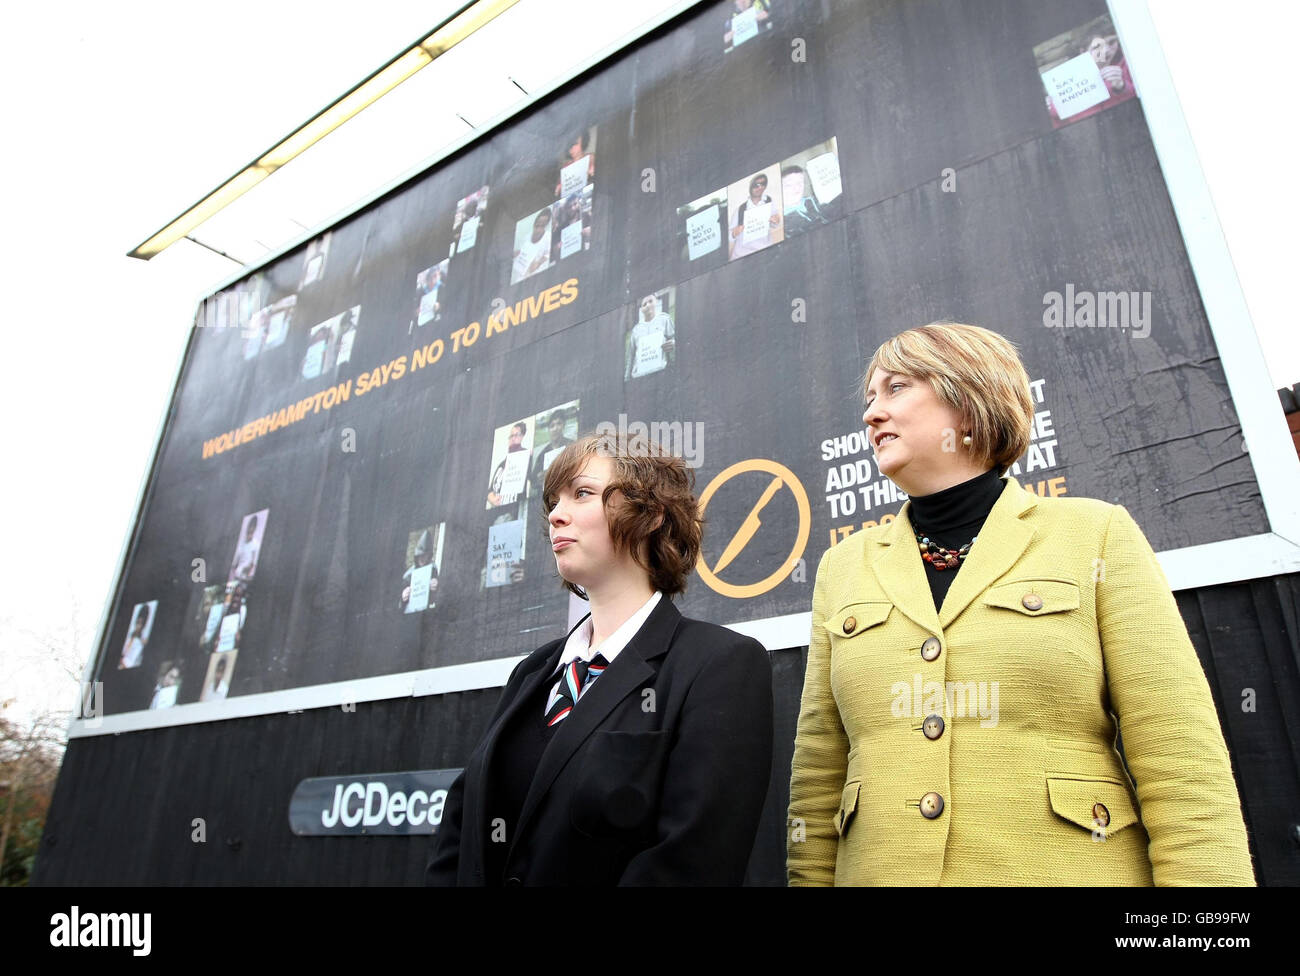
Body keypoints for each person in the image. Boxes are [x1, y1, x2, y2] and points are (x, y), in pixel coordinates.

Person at [787, 322, 1254, 886]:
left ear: (970, 396)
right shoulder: (843, 566)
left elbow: (1181, 755)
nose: (871, 414)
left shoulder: (1096, 534)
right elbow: (818, 768)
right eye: (869, 398)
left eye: (897, 389)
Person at [428, 431, 774, 885]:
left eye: (582, 493)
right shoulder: (532, 674)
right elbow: (460, 833)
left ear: (650, 515)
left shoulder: (719, 665)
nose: (555, 514)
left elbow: (692, 862)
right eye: (554, 501)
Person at [729, 173, 782, 259]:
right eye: (756, 185)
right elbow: (729, 237)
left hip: (765, 251)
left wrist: (776, 220)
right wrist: (734, 233)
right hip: (742, 255)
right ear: (750, 187)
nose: (760, 188)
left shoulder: (769, 202)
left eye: (763, 184)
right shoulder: (740, 210)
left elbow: (775, 225)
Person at [625, 294, 677, 380]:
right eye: (644, 304)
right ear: (641, 309)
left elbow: (675, 338)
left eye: (650, 301)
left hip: (660, 372)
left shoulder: (665, 319)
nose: (648, 305)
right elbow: (631, 356)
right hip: (639, 377)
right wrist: (627, 379)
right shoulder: (636, 330)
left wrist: (673, 343)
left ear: (656, 302)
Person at [780, 165, 830, 237]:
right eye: (789, 185)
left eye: (800, 182)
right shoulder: (781, 221)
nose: (797, 187)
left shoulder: (814, 200)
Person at [488, 421, 529, 508]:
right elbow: (490, 489)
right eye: (511, 436)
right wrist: (492, 499)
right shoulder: (502, 464)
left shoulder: (526, 458)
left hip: (515, 510)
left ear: (522, 436)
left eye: (516, 435)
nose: (512, 439)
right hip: (497, 510)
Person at [512, 209, 552, 282]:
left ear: (546, 224)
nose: (540, 225)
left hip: (537, 276)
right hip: (522, 275)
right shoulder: (527, 236)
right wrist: (516, 254)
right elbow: (522, 252)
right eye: (538, 223)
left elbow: (549, 253)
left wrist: (538, 263)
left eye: (543, 224)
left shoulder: (548, 237)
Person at [119, 603, 150, 669]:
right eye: (137, 622)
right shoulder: (129, 635)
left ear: (143, 625)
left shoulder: (139, 643)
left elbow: (129, 663)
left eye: (140, 624)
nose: (138, 626)